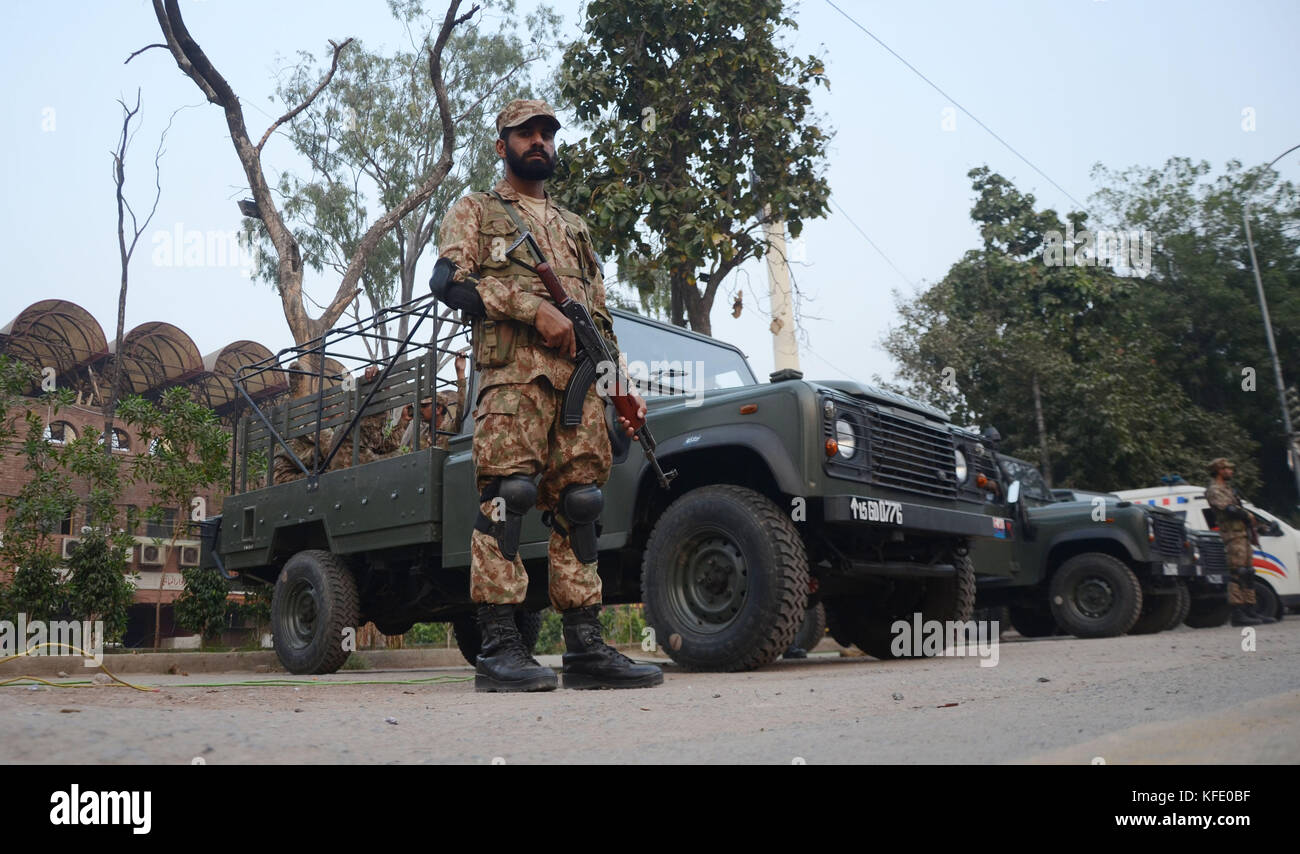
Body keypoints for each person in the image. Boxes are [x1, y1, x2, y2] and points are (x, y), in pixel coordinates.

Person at [437, 98, 662, 692]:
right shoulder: (478, 210)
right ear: (501, 144)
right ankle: (499, 647)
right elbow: (448, 284)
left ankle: (585, 647)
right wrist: (531, 309)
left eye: (547, 133)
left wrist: (621, 392)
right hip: (514, 385)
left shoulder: (574, 227)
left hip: (580, 392)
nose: (538, 141)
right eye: (525, 133)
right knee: (508, 497)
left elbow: (600, 322)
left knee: (583, 504)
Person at [272, 363, 409, 483]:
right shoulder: (317, 427)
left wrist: (403, 422)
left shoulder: (348, 429)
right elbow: (333, 450)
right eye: (334, 405)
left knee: (396, 457)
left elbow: (380, 445)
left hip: (314, 466)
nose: (336, 409)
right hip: (285, 476)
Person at [1204, 458, 1274, 627]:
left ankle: (1250, 609)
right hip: (1232, 535)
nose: (1231, 472)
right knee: (1238, 572)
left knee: (1248, 572)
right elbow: (1228, 509)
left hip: (1243, 534)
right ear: (1219, 470)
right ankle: (1238, 612)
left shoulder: (1229, 490)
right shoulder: (1214, 490)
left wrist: (1257, 524)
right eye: (1227, 469)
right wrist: (1246, 515)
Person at [400, 351, 468, 451]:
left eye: (424, 406)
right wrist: (403, 422)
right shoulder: (420, 436)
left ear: (438, 409)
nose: (419, 410)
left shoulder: (450, 428)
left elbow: (462, 409)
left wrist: (460, 373)